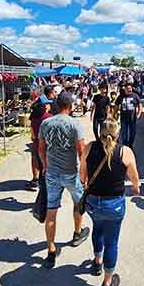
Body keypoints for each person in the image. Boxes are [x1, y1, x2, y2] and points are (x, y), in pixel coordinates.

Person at [80, 118, 140, 286]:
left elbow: (82, 174)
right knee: (111, 241)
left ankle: (97, 261)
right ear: (117, 133)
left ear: (99, 132)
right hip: (114, 203)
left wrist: (86, 183)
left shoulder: (89, 148)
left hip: (92, 201)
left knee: (97, 229)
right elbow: (134, 177)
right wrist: (136, 188)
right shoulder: (124, 151)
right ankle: (107, 282)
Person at [38, 93, 90, 268]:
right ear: (69, 106)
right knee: (78, 202)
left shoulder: (46, 123)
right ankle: (77, 233)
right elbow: (81, 152)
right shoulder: (74, 124)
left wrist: (45, 166)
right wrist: (85, 175)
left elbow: (40, 149)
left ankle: (51, 250)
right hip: (70, 172)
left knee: (51, 210)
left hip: (52, 173)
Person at [27, 95, 52, 190]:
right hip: (48, 147)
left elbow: (32, 135)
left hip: (37, 145)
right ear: (45, 106)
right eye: (48, 104)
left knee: (39, 165)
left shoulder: (34, 118)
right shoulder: (49, 117)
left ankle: (36, 180)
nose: (49, 105)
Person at [116, 83, 141, 148]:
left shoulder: (135, 96)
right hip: (123, 118)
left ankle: (130, 144)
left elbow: (139, 105)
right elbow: (116, 105)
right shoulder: (121, 96)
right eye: (127, 89)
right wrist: (115, 114)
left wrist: (139, 113)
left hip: (133, 119)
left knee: (132, 134)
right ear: (125, 89)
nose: (129, 90)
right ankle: (125, 146)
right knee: (124, 134)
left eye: (130, 88)